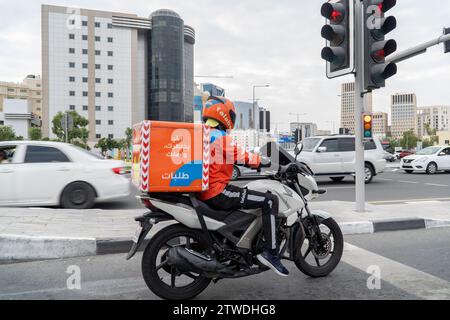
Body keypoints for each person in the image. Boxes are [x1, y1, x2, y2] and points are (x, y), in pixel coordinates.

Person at [198, 96, 289, 277]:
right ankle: (271, 254)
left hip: (206, 190)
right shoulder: (220, 137)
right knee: (270, 201)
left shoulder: (204, 134)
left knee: (250, 195)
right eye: (231, 114)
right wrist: (267, 163)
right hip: (218, 191)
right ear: (224, 114)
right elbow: (243, 157)